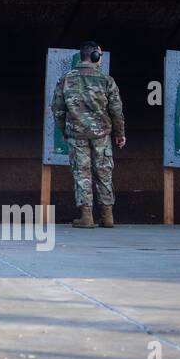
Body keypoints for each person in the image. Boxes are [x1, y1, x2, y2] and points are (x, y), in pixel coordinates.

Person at [51, 41, 125, 229]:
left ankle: (87, 217)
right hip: (102, 135)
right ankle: (107, 216)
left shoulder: (66, 79)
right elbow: (116, 110)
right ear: (95, 56)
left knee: (82, 173)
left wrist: (64, 131)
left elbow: (58, 109)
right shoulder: (106, 80)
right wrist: (120, 134)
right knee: (104, 172)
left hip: (77, 134)